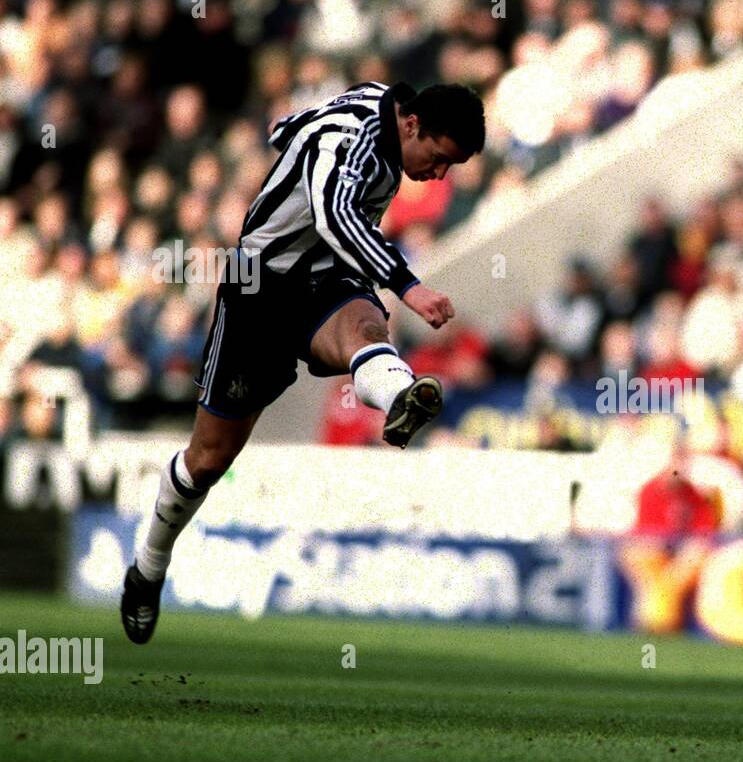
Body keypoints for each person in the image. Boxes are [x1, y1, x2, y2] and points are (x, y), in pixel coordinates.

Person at [120, 81, 485, 644]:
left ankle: (399, 394)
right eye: (437, 160)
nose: (438, 176)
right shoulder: (349, 139)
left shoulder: (391, 107)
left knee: (367, 325)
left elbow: (286, 128)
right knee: (209, 458)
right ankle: (148, 568)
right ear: (412, 126)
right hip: (259, 287)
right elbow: (335, 214)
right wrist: (409, 286)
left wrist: (285, 134)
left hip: (326, 280)